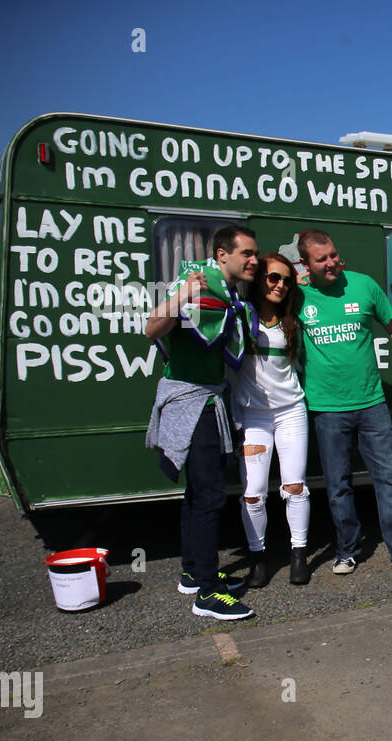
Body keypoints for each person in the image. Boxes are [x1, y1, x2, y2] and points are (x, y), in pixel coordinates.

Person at [295, 230, 392, 577]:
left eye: (333, 255)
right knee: (338, 485)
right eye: (321, 259)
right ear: (305, 263)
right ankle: (347, 550)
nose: (330, 264)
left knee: (389, 480)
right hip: (326, 408)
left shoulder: (363, 285)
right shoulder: (296, 295)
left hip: (372, 403)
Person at [144, 226, 258, 620]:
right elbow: (151, 328)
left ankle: (193, 572)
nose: (254, 261)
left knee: (196, 492)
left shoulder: (227, 290)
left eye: (255, 254)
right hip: (190, 401)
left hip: (207, 397)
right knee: (210, 495)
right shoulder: (198, 281)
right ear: (223, 255)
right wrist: (182, 297)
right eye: (247, 253)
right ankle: (208, 593)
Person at [230, 253, 311, 588]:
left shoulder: (292, 322)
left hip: (291, 412)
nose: (280, 285)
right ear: (259, 279)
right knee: (253, 493)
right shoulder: (239, 317)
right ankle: (258, 559)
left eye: (286, 280)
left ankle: (298, 555)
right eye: (273, 278)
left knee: (295, 487)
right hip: (254, 415)